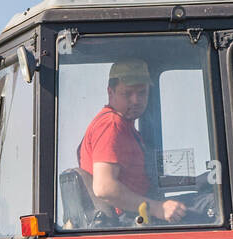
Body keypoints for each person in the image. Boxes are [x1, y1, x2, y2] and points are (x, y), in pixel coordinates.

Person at [78, 60, 187, 223]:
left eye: (142, 93)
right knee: (210, 205)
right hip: (129, 217)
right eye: (127, 93)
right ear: (110, 92)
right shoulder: (111, 125)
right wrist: (158, 208)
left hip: (134, 213)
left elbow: (142, 179)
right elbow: (104, 188)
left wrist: (195, 181)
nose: (136, 100)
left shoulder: (126, 128)